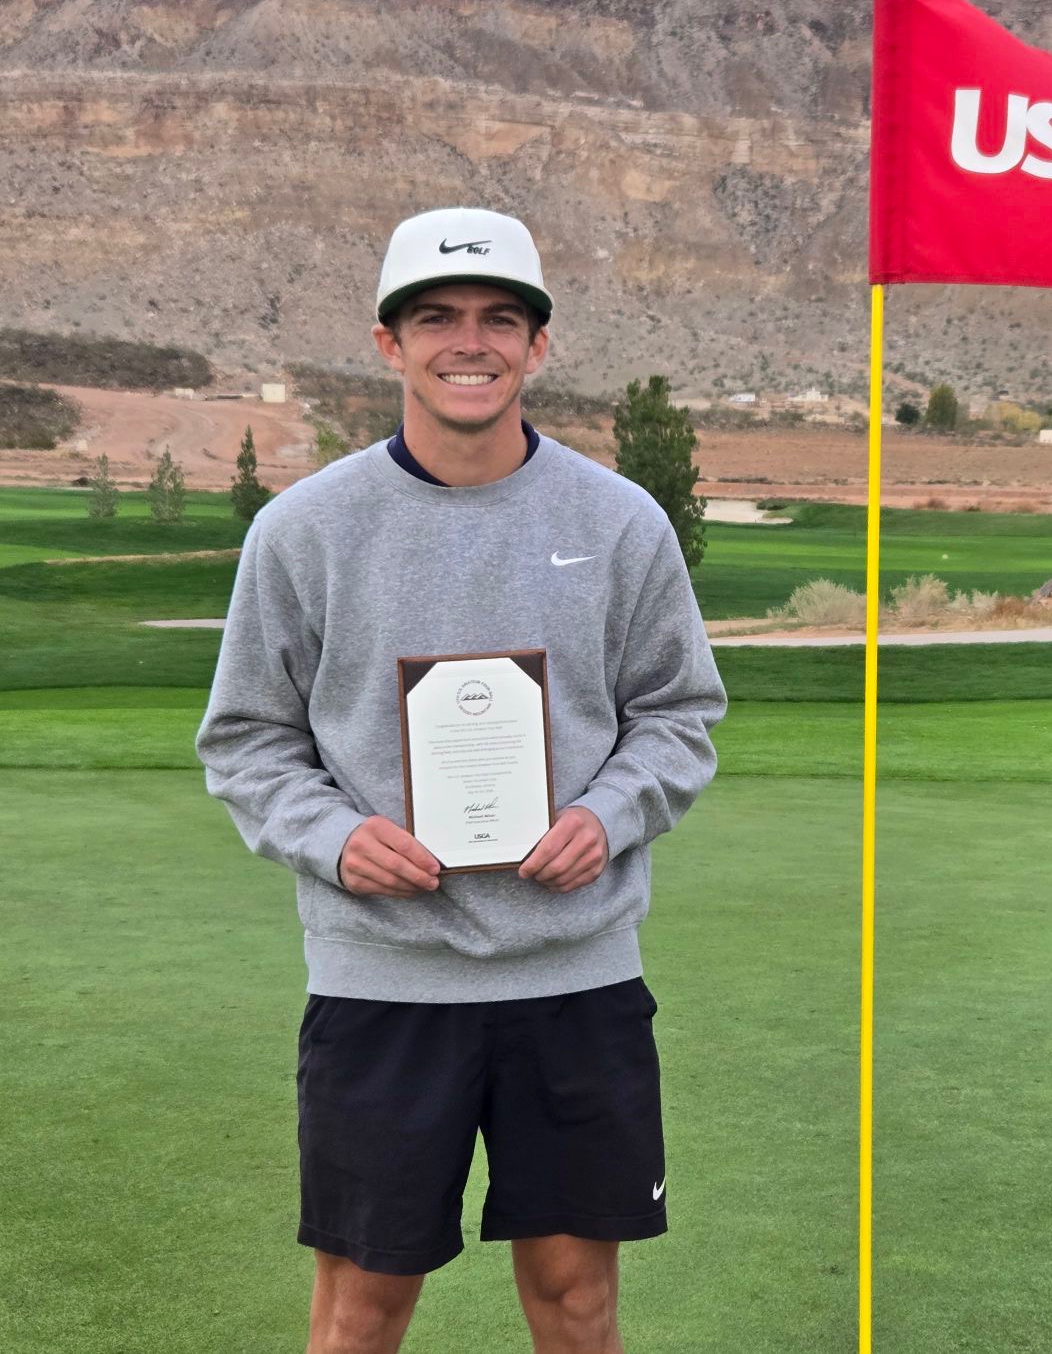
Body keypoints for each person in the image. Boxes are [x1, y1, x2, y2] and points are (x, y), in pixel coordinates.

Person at [197, 206, 726, 1354]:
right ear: (389, 344)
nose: (468, 342)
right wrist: (335, 837)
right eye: (436, 318)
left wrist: (607, 814)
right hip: (382, 985)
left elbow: (680, 717)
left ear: (538, 345)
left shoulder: (618, 522)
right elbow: (245, 742)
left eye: (499, 318)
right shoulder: (304, 530)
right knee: (361, 1311)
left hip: (575, 980)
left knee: (576, 1302)